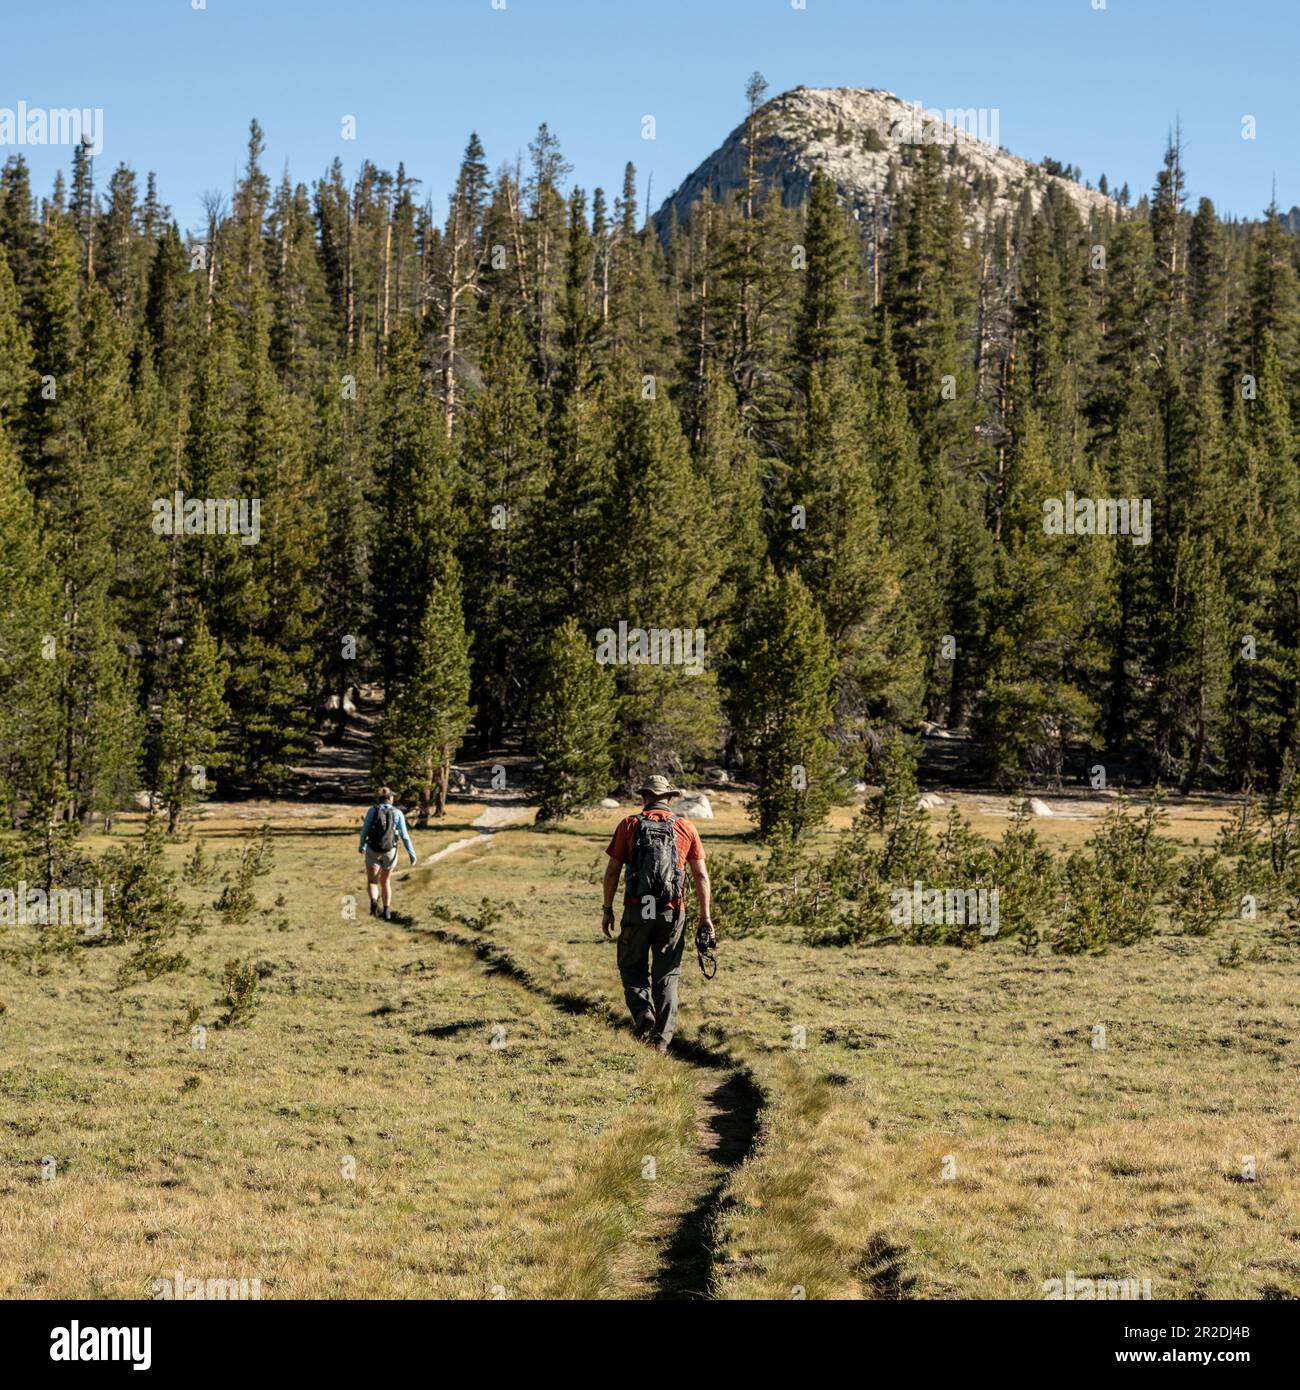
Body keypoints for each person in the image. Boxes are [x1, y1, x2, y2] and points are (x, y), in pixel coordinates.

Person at [601, 774, 714, 1054]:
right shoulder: (686, 827)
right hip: (672, 911)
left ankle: (642, 1012)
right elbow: (700, 876)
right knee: (668, 975)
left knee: (631, 966)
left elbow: (613, 871)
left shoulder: (629, 825)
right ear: (670, 799)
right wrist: (705, 917)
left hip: (638, 907)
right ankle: (661, 1043)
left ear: (644, 797)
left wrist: (607, 909)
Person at [359, 787, 416, 921]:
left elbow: (364, 831)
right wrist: (412, 854)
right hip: (390, 851)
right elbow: (405, 836)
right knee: (385, 881)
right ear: (390, 798)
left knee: (372, 881)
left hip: (373, 849)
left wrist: (361, 845)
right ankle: (386, 911)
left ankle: (373, 903)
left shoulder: (372, 811)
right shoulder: (398, 813)